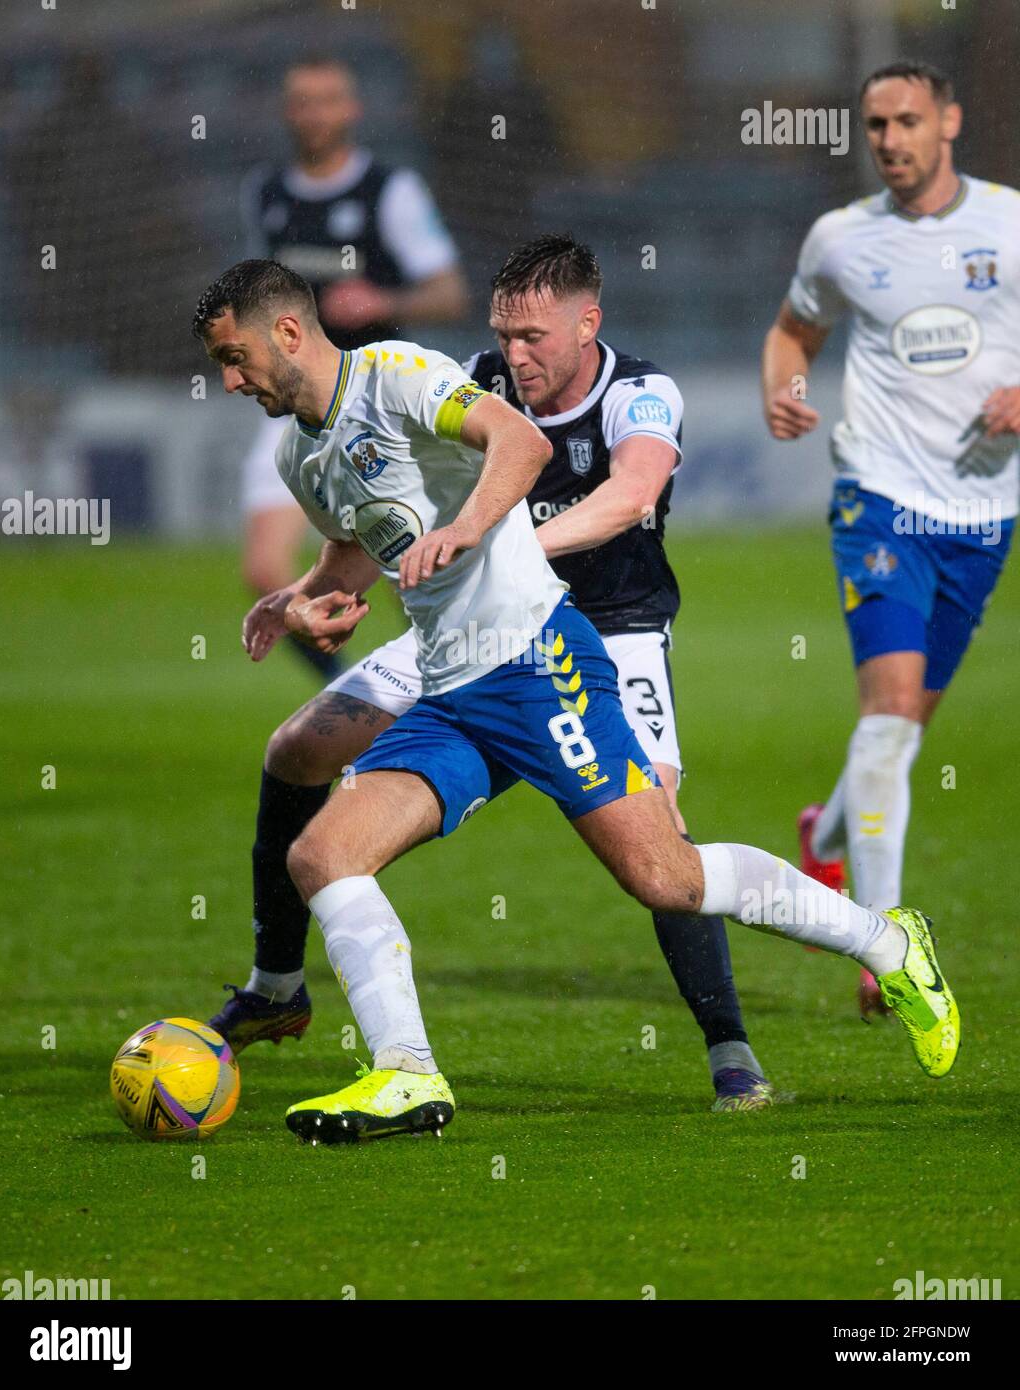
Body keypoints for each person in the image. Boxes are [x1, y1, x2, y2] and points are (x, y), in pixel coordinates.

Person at [192, 258, 959, 1146]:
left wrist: (469, 531)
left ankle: (888, 943)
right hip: (448, 685)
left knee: (664, 875)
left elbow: (525, 447)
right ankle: (405, 1075)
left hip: (536, 658)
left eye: (235, 357)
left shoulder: (399, 375)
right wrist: (303, 596)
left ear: (288, 332)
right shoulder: (299, 452)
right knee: (322, 855)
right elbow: (359, 545)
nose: (229, 381)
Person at [210, 234, 773, 1112]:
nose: (514, 354)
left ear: (588, 326)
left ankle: (729, 1046)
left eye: (534, 337)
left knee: (660, 835)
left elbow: (629, 499)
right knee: (295, 752)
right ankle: (278, 986)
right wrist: (309, 589)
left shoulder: (642, 392)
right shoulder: (466, 382)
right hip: (463, 628)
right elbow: (378, 519)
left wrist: (490, 543)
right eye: (504, 334)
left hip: (606, 628)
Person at [761, 60, 1019, 1017]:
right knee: (890, 714)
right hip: (877, 500)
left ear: (948, 120)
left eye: (908, 120)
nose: (891, 140)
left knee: (903, 731)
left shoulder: (1011, 223)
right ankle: (885, 945)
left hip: (983, 519)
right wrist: (781, 388)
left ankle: (823, 835)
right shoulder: (841, 238)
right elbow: (794, 331)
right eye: (875, 125)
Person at [238, 56, 468, 677]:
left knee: (403, 567)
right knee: (265, 571)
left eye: (328, 99)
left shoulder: (389, 191)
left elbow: (450, 293)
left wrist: (382, 300)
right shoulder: (266, 195)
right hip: (292, 403)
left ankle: (453, 686)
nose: (314, 113)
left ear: (352, 109)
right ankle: (347, 696)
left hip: (374, 398)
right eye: (302, 101)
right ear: (288, 112)